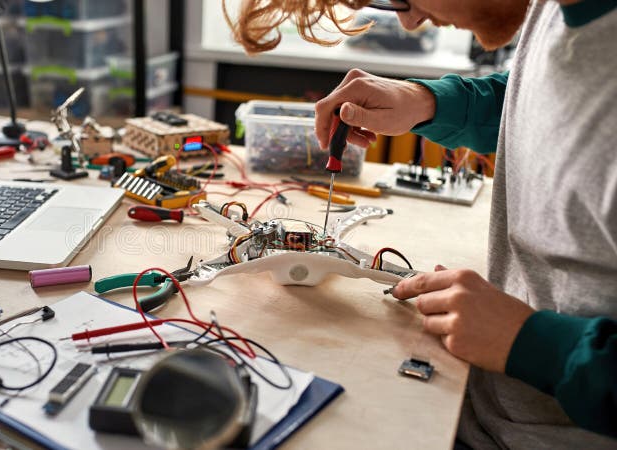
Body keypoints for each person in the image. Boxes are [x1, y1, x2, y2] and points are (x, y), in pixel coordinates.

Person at [224, 0, 616, 447]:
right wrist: (427, 102)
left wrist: (533, 344)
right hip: (475, 401)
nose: (409, 22)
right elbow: (551, 93)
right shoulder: (553, 9)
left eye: (403, 0)